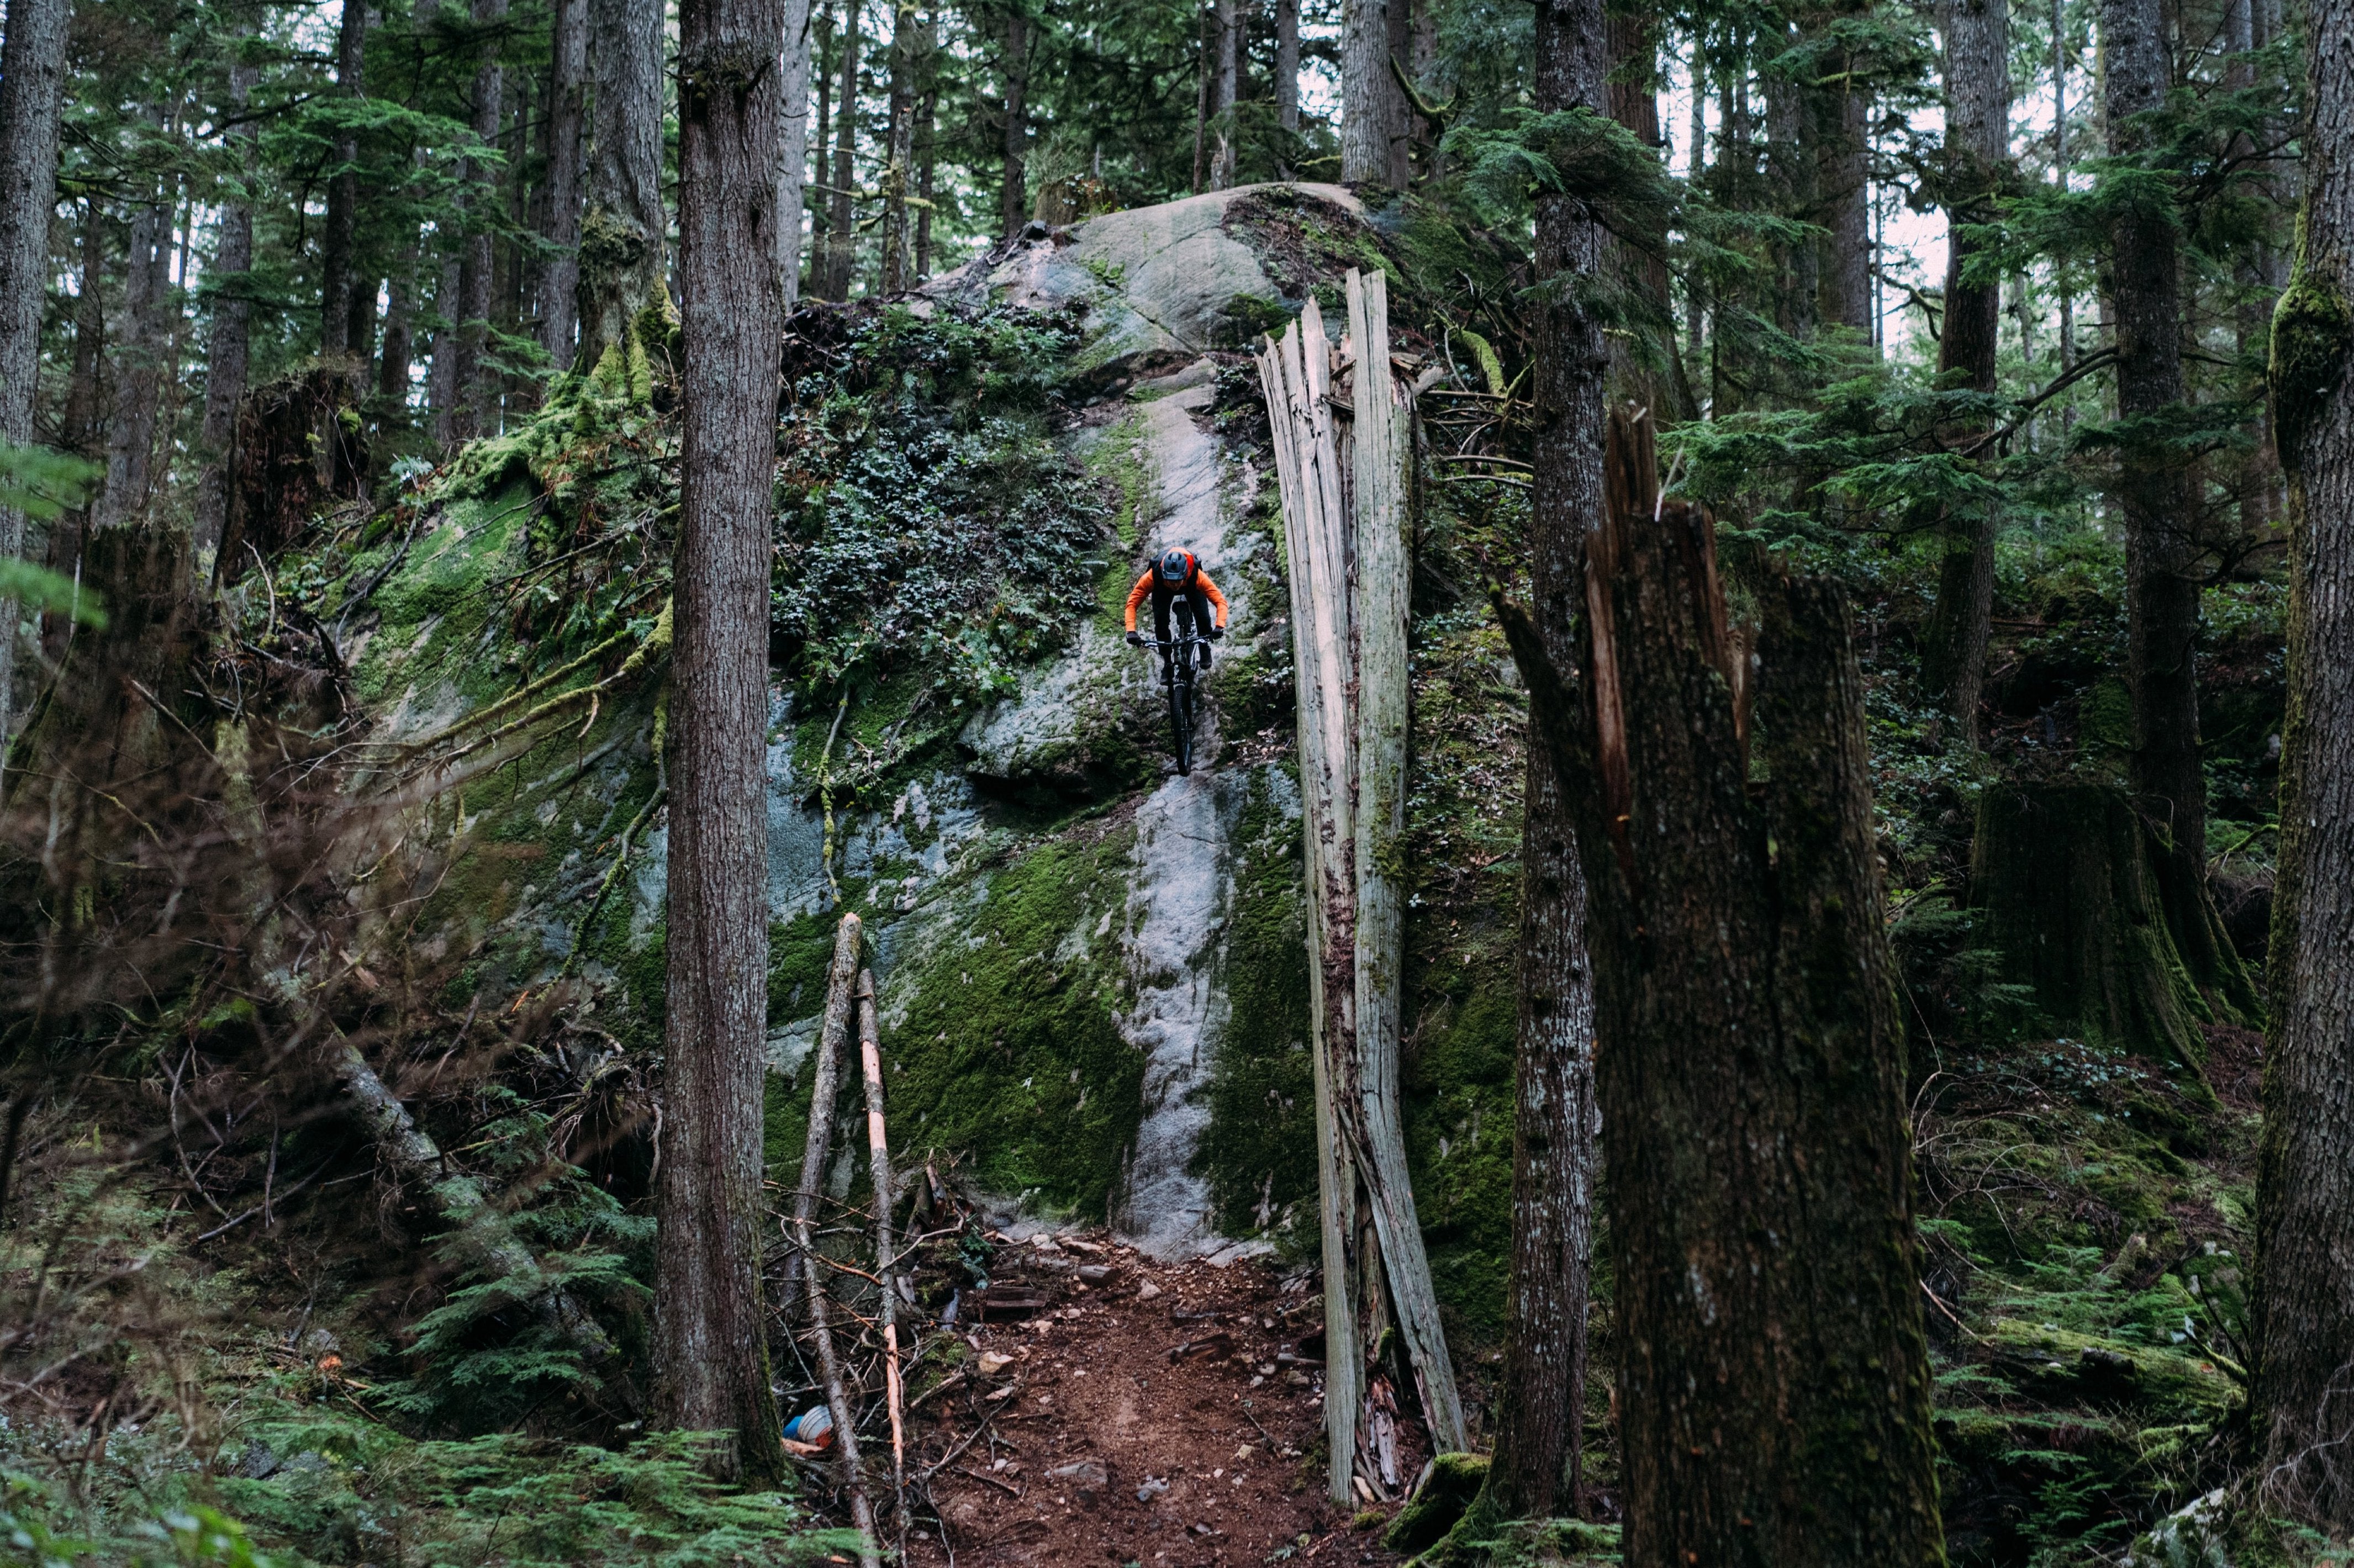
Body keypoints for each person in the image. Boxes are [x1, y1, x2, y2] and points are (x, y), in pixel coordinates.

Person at [1123, 548, 1228, 667]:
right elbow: (1132, 604)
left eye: (1177, 581)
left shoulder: (1196, 575)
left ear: (1184, 574)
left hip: (1190, 586)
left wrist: (1219, 626)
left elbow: (1220, 601)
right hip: (1163, 588)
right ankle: (1167, 661)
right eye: (1171, 581)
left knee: (1203, 617)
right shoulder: (1153, 576)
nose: (1174, 585)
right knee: (1161, 622)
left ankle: (1204, 648)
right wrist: (1131, 631)